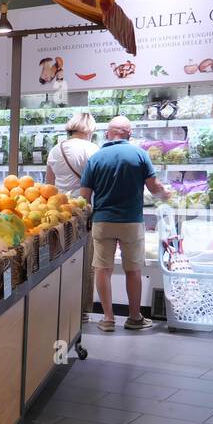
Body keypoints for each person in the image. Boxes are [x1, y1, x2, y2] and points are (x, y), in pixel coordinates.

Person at [79, 116, 169, 333]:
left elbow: (84, 196)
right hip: (131, 221)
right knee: (133, 269)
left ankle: (108, 318)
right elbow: (153, 187)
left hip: (103, 221)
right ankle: (135, 317)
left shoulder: (96, 157)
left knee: (102, 268)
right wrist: (165, 194)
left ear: (108, 134)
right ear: (129, 134)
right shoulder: (140, 154)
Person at [45, 112, 98, 194]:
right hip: (82, 202)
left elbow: (49, 182)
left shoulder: (55, 149)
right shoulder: (92, 148)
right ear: (90, 130)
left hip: (59, 202)